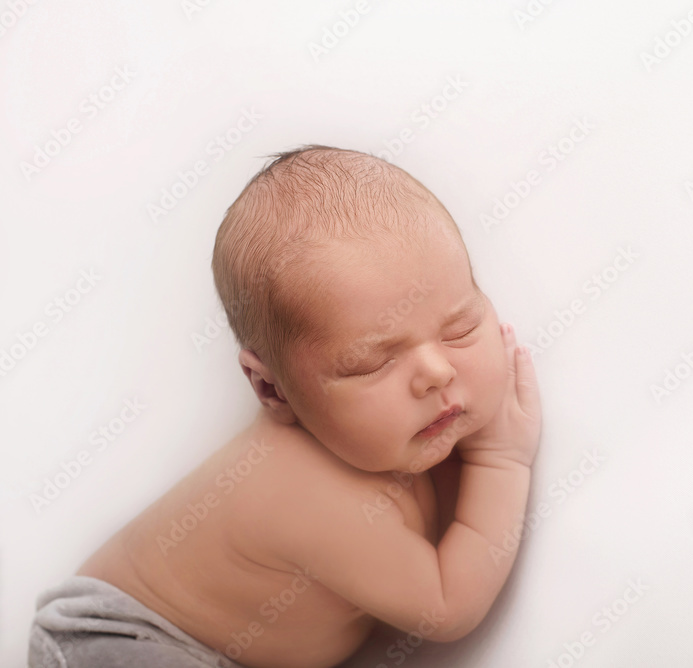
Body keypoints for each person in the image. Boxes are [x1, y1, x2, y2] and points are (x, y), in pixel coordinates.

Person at [29, 145, 542, 668]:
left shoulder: (380, 438)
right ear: (273, 390)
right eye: (371, 364)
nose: (437, 371)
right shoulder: (307, 489)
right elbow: (447, 607)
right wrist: (501, 460)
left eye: (461, 327)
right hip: (117, 642)